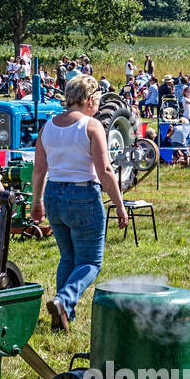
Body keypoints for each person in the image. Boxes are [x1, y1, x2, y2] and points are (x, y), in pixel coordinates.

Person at [30, 74, 127, 332]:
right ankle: (64, 301)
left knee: (68, 257)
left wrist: (36, 201)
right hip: (83, 194)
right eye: (96, 98)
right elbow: (105, 169)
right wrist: (119, 204)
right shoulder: (91, 125)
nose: (97, 103)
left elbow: (39, 170)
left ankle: (63, 316)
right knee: (91, 262)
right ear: (88, 99)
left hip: (53, 195)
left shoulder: (47, 126)